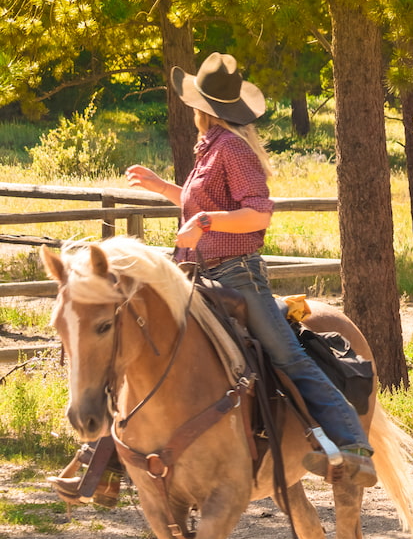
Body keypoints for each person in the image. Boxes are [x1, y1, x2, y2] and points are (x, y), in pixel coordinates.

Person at [124, 52, 375, 487]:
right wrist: (165, 188)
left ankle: (354, 446)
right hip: (199, 275)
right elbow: (207, 203)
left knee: (288, 356)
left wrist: (203, 223)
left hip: (237, 275)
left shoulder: (233, 150)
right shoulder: (210, 149)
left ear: (201, 105)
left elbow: (258, 214)